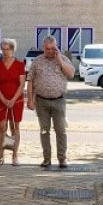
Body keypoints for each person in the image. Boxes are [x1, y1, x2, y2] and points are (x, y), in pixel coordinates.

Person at [26, 35, 75, 168]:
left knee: (60, 130)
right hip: (41, 101)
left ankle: (62, 158)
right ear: (43, 48)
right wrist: (30, 100)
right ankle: (46, 158)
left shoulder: (63, 59)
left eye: (53, 48)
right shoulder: (37, 61)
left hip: (59, 100)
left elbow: (71, 74)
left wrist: (59, 59)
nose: (50, 51)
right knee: (44, 131)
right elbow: (30, 81)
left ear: (56, 47)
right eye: (47, 49)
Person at [0, 38, 26, 166]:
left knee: (14, 127)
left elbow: (22, 84)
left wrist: (13, 100)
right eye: (3, 49)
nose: (6, 52)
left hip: (16, 100)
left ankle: (15, 156)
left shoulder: (20, 65)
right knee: (2, 127)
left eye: (8, 49)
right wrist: (4, 100)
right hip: (1, 99)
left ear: (12, 50)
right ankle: (1, 156)